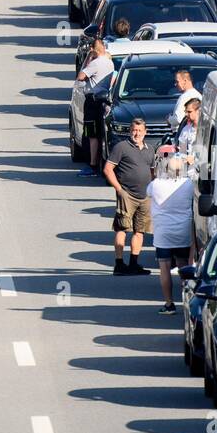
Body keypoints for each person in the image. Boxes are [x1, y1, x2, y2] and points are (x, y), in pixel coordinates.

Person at [103, 118, 155, 276]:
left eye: (140, 130)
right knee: (122, 228)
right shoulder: (121, 147)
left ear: (145, 132)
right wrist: (119, 189)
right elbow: (108, 169)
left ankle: (134, 263)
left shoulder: (150, 149)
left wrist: (153, 190)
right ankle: (119, 264)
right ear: (129, 131)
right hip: (126, 194)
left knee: (140, 231)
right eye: (134, 130)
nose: (136, 133)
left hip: (145, 196)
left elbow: (152, 172)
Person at [147, 154, 195, 315]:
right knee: (184, 267)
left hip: (163, 232)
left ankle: (169, 303)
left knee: (164, 268)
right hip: (183, 231)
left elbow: (148, 193)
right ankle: (187, 301)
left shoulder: (156, 185)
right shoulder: (188, 184)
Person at [76, 39, 115, 176]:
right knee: (100, 134)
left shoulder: (95, 63)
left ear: (94, 49)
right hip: (103, 100)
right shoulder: (109, 62)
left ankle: (92, 165)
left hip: (92, 101)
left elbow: (80, 76)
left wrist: (89, 57)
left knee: (91, 134)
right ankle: (99, 162)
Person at [177, 97, 200, 161]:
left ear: (198, 111)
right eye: (186, 112)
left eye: (189, 112)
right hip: (189, 169)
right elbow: (181, 152)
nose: (186, 114)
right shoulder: (185, 129)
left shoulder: (207, 129)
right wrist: (186, 158)